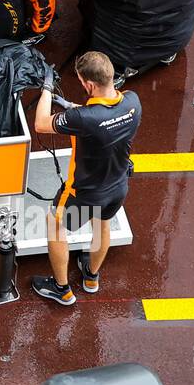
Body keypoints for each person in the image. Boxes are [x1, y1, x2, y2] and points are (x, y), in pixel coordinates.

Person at [31, 52, 140, 306]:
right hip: (117, 187)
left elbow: (40, 124)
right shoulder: (133, 102)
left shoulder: (83, 120)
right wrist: (71, 108)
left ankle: (61, 290)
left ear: (89, 85)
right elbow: (102, 116)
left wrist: (47, 88)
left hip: (83, 195)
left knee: (55, 225)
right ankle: (91, 277)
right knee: (102, 224)